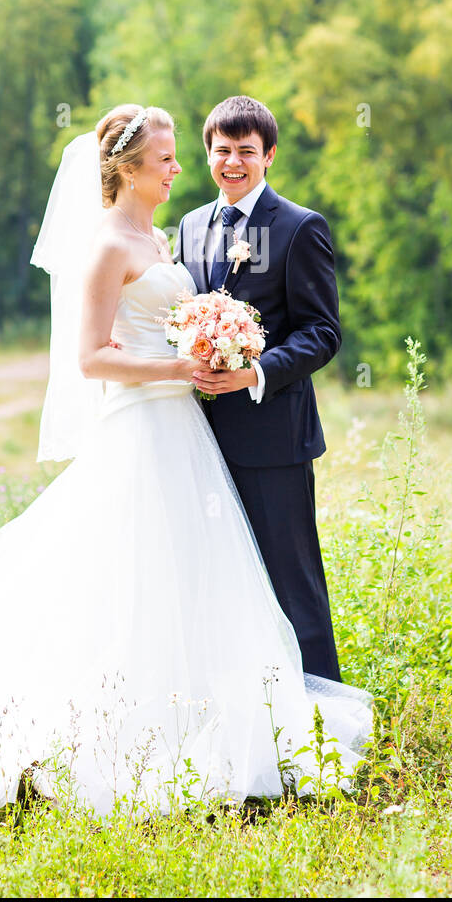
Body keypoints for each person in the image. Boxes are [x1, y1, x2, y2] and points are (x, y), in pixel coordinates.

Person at [0, 104, 372, 825]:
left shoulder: (177, 234)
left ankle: (288, 716)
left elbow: (316, 329)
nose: (190, 166)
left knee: (242, 576)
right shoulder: (125, 242)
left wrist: (233, 364)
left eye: (229, 150)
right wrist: (182, 366)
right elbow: (92, 355)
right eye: (174, 156)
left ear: (267, 155)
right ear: (129, 167)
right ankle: (138, 727)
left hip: (219, 430)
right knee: (143, 578)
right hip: (156, 425)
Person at [177, 96, 344, 681]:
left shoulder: (300, 227)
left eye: (246, 151)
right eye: (222, 151)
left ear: (268, 155)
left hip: (274, 438)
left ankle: (324, 723)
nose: (233, 162)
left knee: (292, 585)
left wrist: (254, 373)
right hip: (197, 440)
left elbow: (323, 332)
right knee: (218, 580)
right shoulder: (191, 226)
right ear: (208, 155)